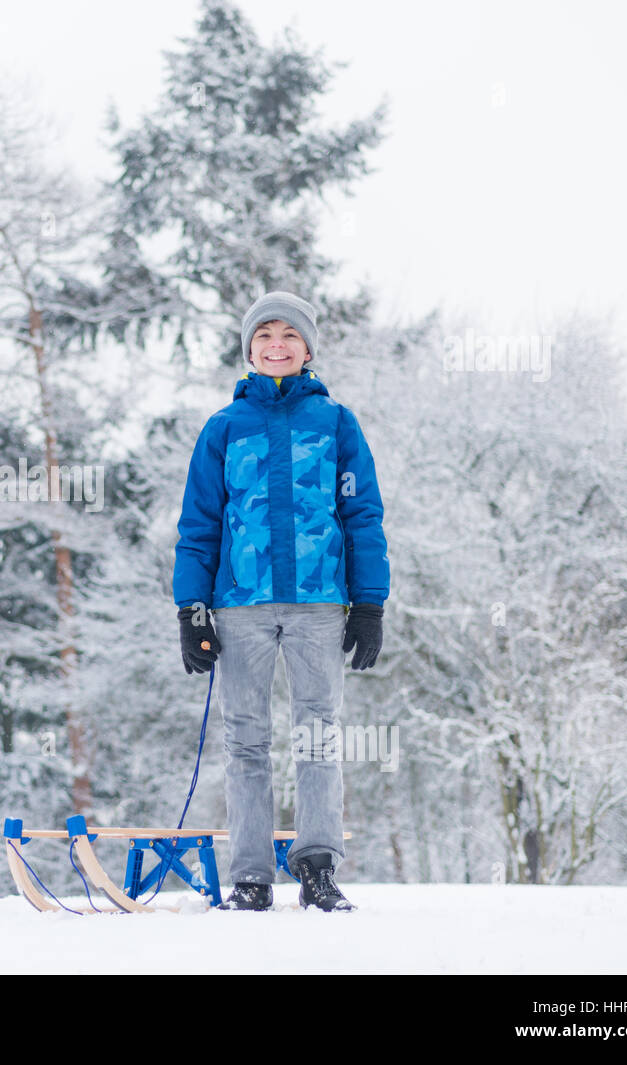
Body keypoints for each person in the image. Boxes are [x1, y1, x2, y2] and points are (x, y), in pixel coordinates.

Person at [172, 291, 389, 912]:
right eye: (264, 336)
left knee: (318, 734)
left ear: (308, 349)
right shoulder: (223, 428)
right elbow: (200, 525)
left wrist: (369, 602)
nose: (276, 345)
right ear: (248, 351)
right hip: (239, 606)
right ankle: (251, 876)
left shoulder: (337, 424)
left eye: (288, 336)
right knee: (244, 740)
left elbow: (362, 514)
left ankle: (318, 866)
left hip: (320, 605)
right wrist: (192, 608)